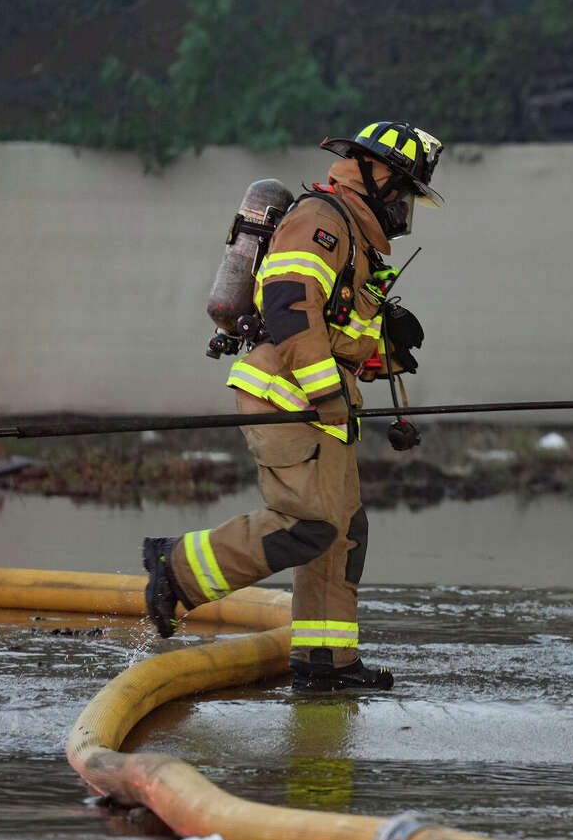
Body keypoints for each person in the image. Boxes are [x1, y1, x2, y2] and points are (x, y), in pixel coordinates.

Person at [142, 120, 443, 692]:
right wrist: (327, 391)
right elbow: (287, 306)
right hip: (289, 396)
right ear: (374, 174)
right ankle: (175, 567)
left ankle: (325, 662)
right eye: (402, 191)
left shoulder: (354, 235)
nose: (404, 209)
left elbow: (334, 334)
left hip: (321, 401)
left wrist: (387, 349)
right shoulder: (322, 221)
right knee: (310, 524)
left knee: (342, 530)